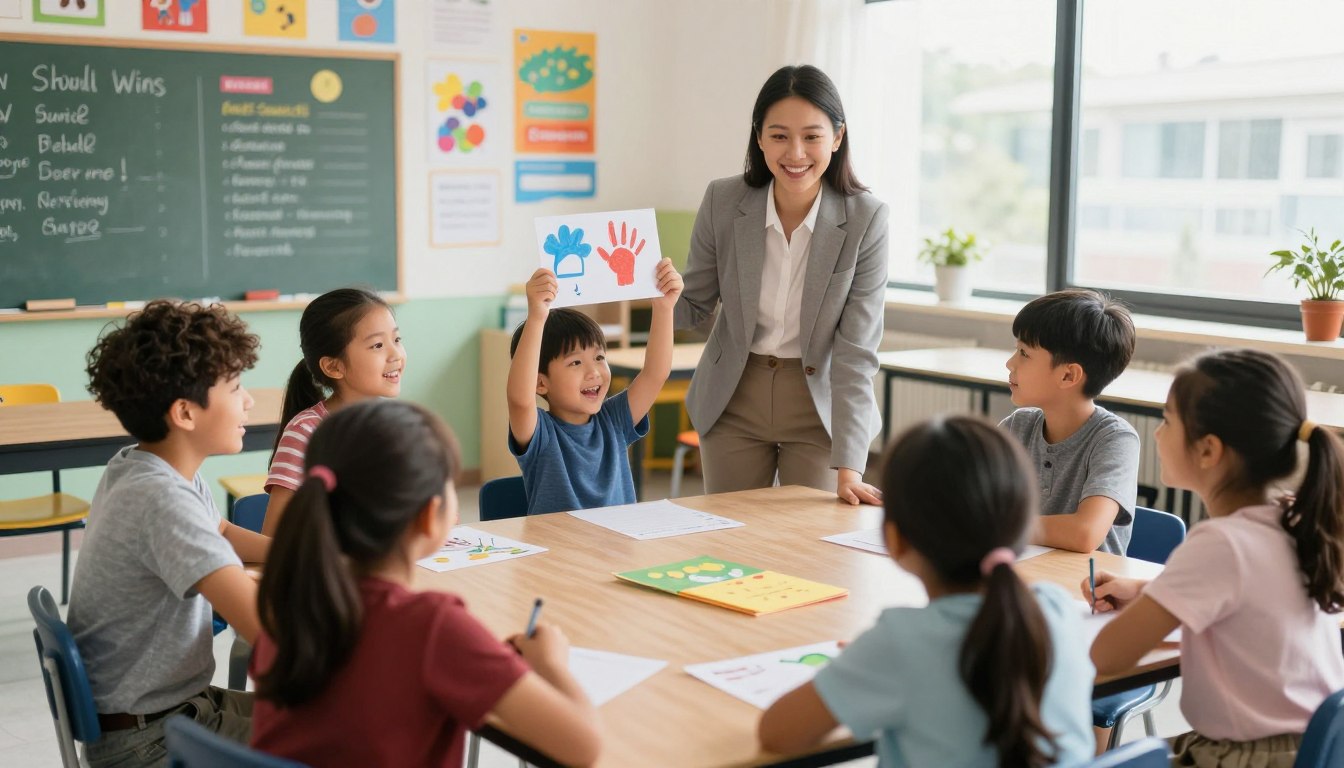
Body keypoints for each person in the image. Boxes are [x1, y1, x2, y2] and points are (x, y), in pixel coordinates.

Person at [251, 400, 601, 767]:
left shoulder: (288, 602)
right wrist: (551, 663)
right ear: (430, 515)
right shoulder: (432, 626)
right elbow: (584, 747)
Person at [759, 416, 1094, 767]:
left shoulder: (900, 643)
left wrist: (858, 665)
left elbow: (777, 733)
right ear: (1023, 525)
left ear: (894, 539)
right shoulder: (1057, 609)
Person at [1087, 349, 1344, 767]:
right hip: (1312, 748)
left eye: (1167, 421)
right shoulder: (1292, 519)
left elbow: (1106, 655)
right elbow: (1249, 597)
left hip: (1247, 757)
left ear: (1208, 450)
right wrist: (1148, 591)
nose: (1157, 434)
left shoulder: (1221, 543)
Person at [674, 64, 889, 505]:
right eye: (779, 135)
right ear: (758, 137)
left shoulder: (867, 218)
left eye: (812, 136)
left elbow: (856, 352)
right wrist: (631, 286)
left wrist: (850, 468)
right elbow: (692, 304)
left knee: (810, 539)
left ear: (837, 137)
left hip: (819, 407)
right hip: (732, 398)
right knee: (731, 534)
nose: (795, 153)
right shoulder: (722, 200)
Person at [70, 300, 270, 768]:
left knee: (339, 720)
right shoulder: (161, 499)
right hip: (150, 743)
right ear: (185, 413)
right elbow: (264, 628)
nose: (248, 401)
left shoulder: (143, 466)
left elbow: (219, 530)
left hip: (167, 714)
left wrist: (305, 555)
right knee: (353, 733)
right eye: (235, 387)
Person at [507, 259, 683, 515]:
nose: (594, 372)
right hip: (562, 542)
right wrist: (537, 316)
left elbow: (655, 374)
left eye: (599, 358)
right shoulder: (541, 433)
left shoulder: (614, 420)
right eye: (575, 362)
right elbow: (520, 400)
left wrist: (664, 308)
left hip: (617, 539)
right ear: (541, 383)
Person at [1001, 289, 1140, 554]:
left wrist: (997, 526)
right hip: (1023, 570)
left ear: (1068, 376)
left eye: (1024, 353)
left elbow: (1084, 533)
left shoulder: (1114, 439)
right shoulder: (1017, 426)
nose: (1010, 363)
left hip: (1084, 579)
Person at [262, 287, 404, 535]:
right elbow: (274, 537)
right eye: (378, 345)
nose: (395, 354)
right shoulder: (307, 431)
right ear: (333, 367)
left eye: (397, 340)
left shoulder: (398, 425)